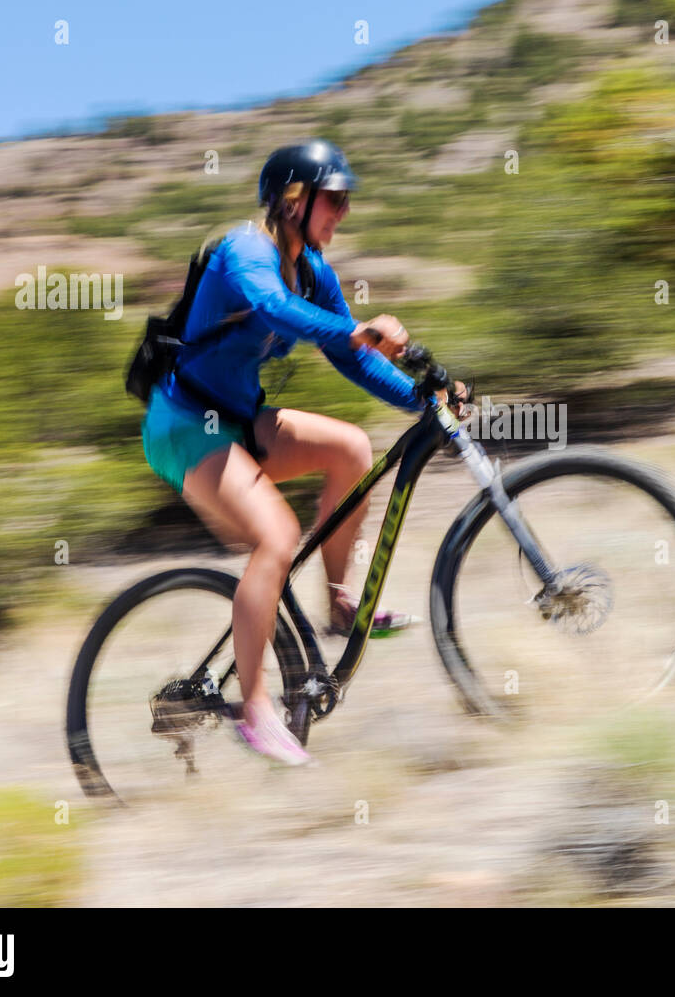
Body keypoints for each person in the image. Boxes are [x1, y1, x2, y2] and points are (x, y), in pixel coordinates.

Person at [140, 138, 464, 766]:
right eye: (333, 199)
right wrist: (357, 328)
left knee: (350, 447)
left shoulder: (313, 269)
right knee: (277, 537)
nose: (343, 211)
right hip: (185, 426)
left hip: (237, 420)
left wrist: (424, 402)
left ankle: (340, 605)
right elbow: (273, 309)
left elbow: (353, 357)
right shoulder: (246, 251)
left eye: (345, 200)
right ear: (293, 200)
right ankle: (256, 709)